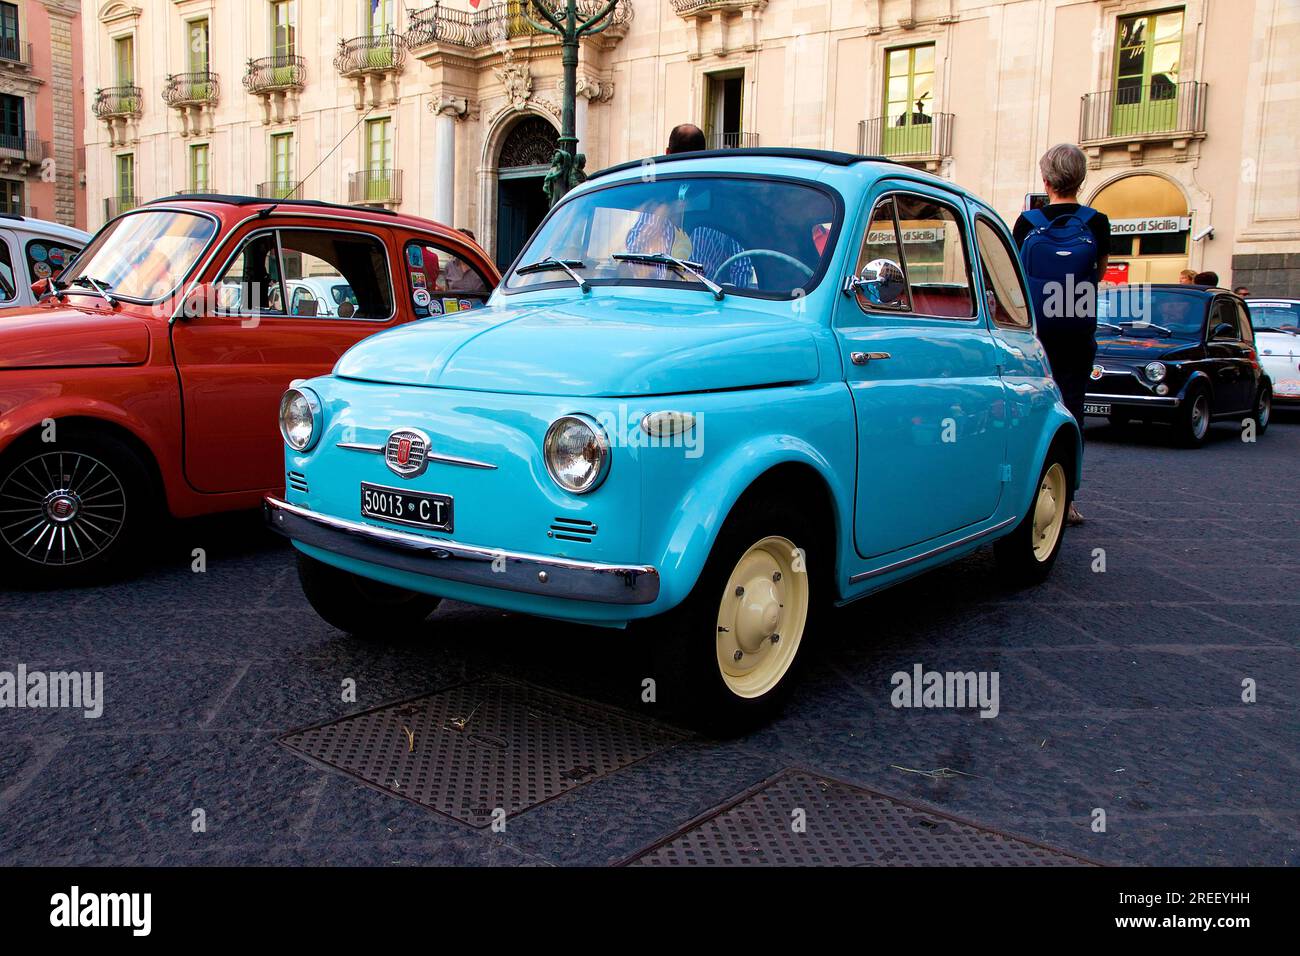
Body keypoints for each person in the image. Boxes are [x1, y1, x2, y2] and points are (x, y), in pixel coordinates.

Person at [1013, 143, 1110, 526]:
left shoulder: (1026, 222)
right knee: (1072, 410)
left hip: (1036, 333)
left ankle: (1026, 492)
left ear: (1045, 179)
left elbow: (1013, 279)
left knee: (1031, 411)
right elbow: (1098, 273)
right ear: (1081, 179)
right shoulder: (1097, 222)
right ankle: (1066, 500)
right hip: (1076, 328)